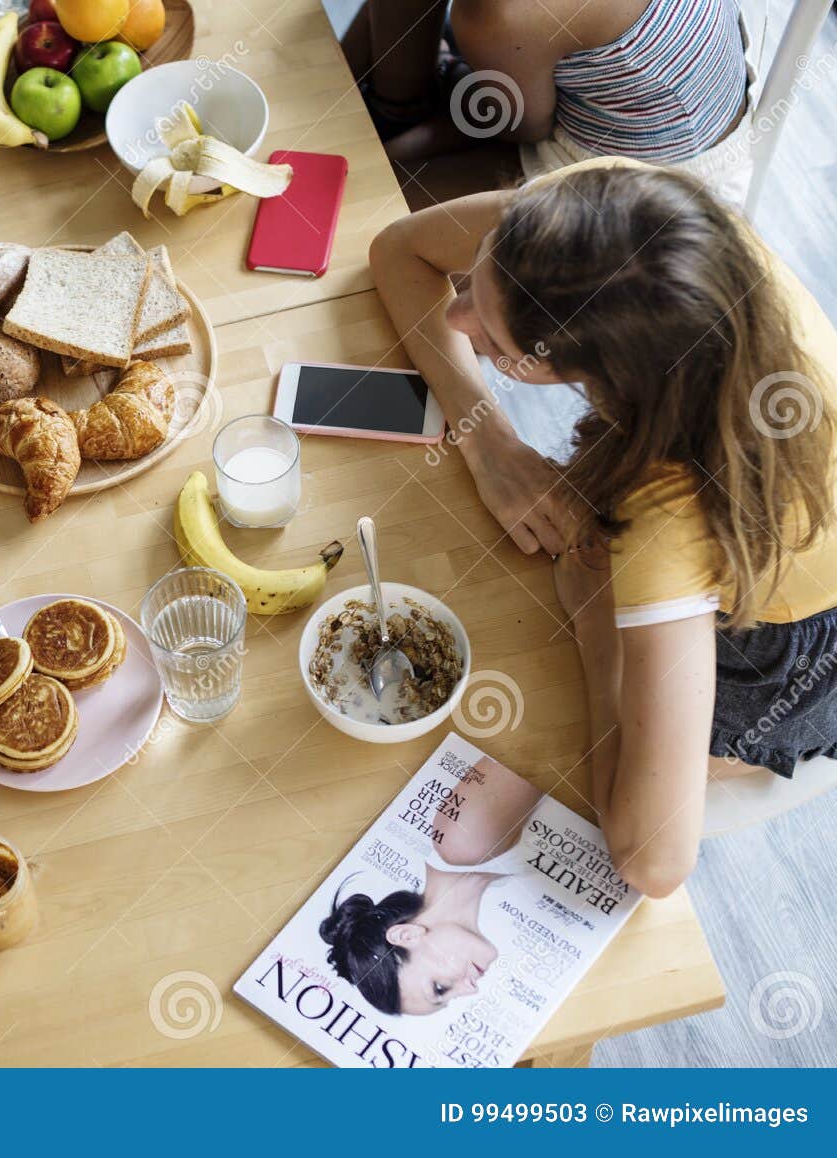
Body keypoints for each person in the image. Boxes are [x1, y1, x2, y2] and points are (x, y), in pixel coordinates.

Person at [370, 157, 837, 897]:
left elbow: (651, 860)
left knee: (594, 744)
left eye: (489, 338)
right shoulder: (606, 214)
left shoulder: (668, 513)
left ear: (605, 373)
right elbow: (400, 249)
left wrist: (597, 619)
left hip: (792, 630)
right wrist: (489, 438)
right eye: (475, 283)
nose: (456, 319)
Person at [341, 0, 753, 206]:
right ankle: (397, 109)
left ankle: (404, 110)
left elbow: (521, 128)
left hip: (652, 184)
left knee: (360, 207)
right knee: (356, 173)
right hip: (601, 96)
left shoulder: (504, 12)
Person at [319, 756, 541, 1016]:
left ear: (406, 936)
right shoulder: (492, 875)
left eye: (439, 988)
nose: (471, 990)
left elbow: (547, 741)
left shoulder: (463, 840)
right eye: (449, 998)